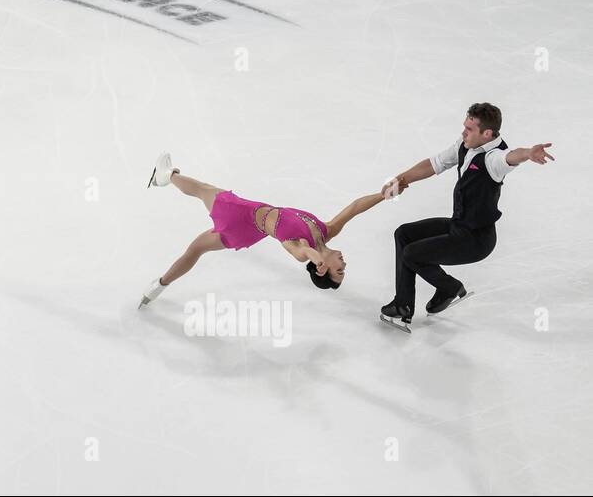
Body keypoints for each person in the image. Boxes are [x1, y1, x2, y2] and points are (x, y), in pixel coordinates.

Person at [379, 102, 554, 329]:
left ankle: (448, 288)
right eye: (465, 126)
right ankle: (405, 304)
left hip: (476, 240)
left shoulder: (494, 159)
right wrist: (400, 179)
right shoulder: (465, 145)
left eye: (469, 129)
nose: (464, 132)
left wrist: (528, 153)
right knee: (404, 234)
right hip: (458, 225)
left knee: (412, 254)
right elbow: (435, 163)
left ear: (487, 133)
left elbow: (511, 156)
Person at [138, 153, 390, 306]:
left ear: (322, 269)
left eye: (339, 270)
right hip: (248, 231)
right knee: (195, 250)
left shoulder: (302, 250)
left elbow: (305, 254)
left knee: (203, 189)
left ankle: (166, 176)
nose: (343, 264)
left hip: (240, 217)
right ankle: (158, 286)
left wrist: (317, 258)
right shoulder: (327, 231)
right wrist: (383, 195)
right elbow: (355, 208)